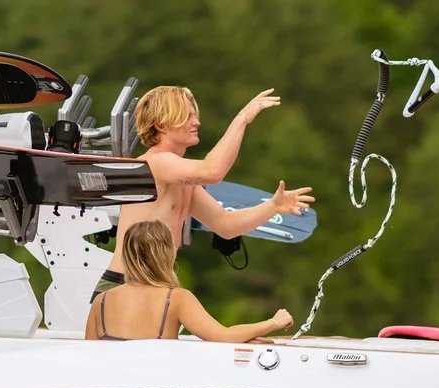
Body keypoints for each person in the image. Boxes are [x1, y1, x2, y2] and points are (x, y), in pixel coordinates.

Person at [107, 85, 312, 284]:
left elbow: (226, 226)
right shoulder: (156, 162)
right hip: (125, 285)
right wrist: (242, 119)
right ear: (161, 125)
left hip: (152, 285)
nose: (196, 122)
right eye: (187, 116)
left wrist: (273, 206)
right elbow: (213, 172)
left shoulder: (181, 179)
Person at [85, 220, 294, 342]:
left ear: (127, 254)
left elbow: (86, 359)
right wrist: (273, 323)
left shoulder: (101, 301)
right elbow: (223, 336)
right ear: (168, 254)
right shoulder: (175, 299)